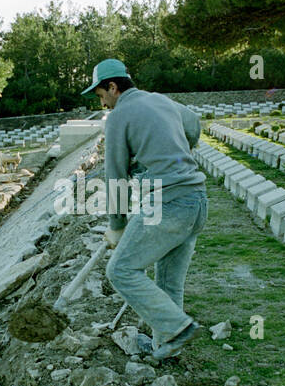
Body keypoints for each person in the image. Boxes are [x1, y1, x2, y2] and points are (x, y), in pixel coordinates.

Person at [83, 58, 207, 361]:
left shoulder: (118, 117)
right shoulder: (161, 101)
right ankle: (166, 346)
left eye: (101, 96)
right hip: (197, 200)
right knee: (168, 281)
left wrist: (117, 225)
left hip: (166, 204)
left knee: (121, 270)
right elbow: (194, 125)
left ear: (113, 87)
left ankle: (178, 328)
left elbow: (115, 177)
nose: (103, 104)